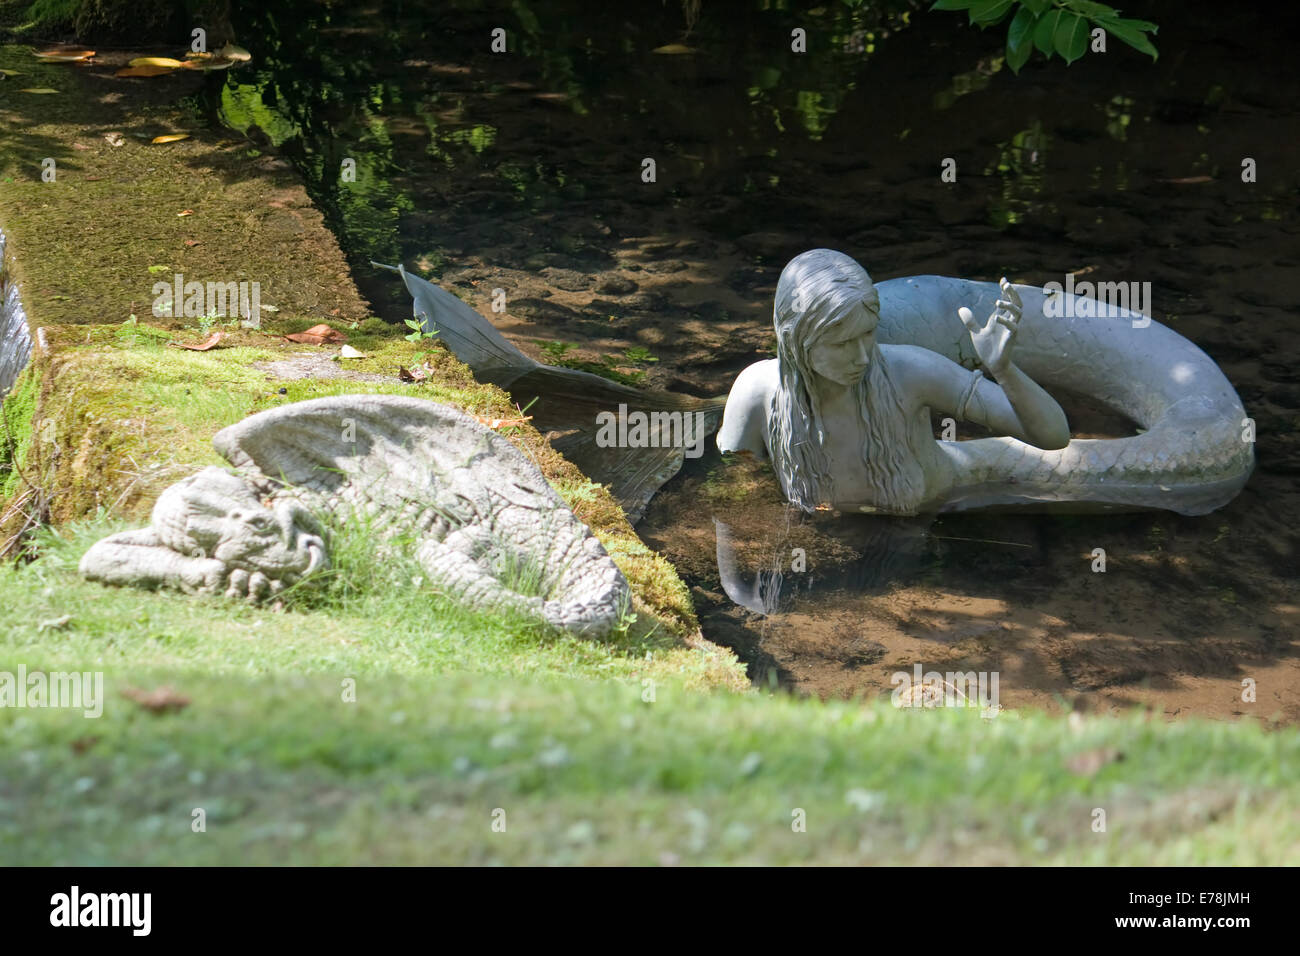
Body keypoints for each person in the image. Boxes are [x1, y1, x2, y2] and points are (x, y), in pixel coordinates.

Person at [717, 249, 1070, 515]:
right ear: (795, 340)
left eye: (868, 334)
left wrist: (1004, 369)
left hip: (927, 520)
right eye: (841, 344)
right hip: (824, 539)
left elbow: (1053, 437)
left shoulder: (912, 372)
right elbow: (731, 489)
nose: (863, 356)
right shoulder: (757, 392)